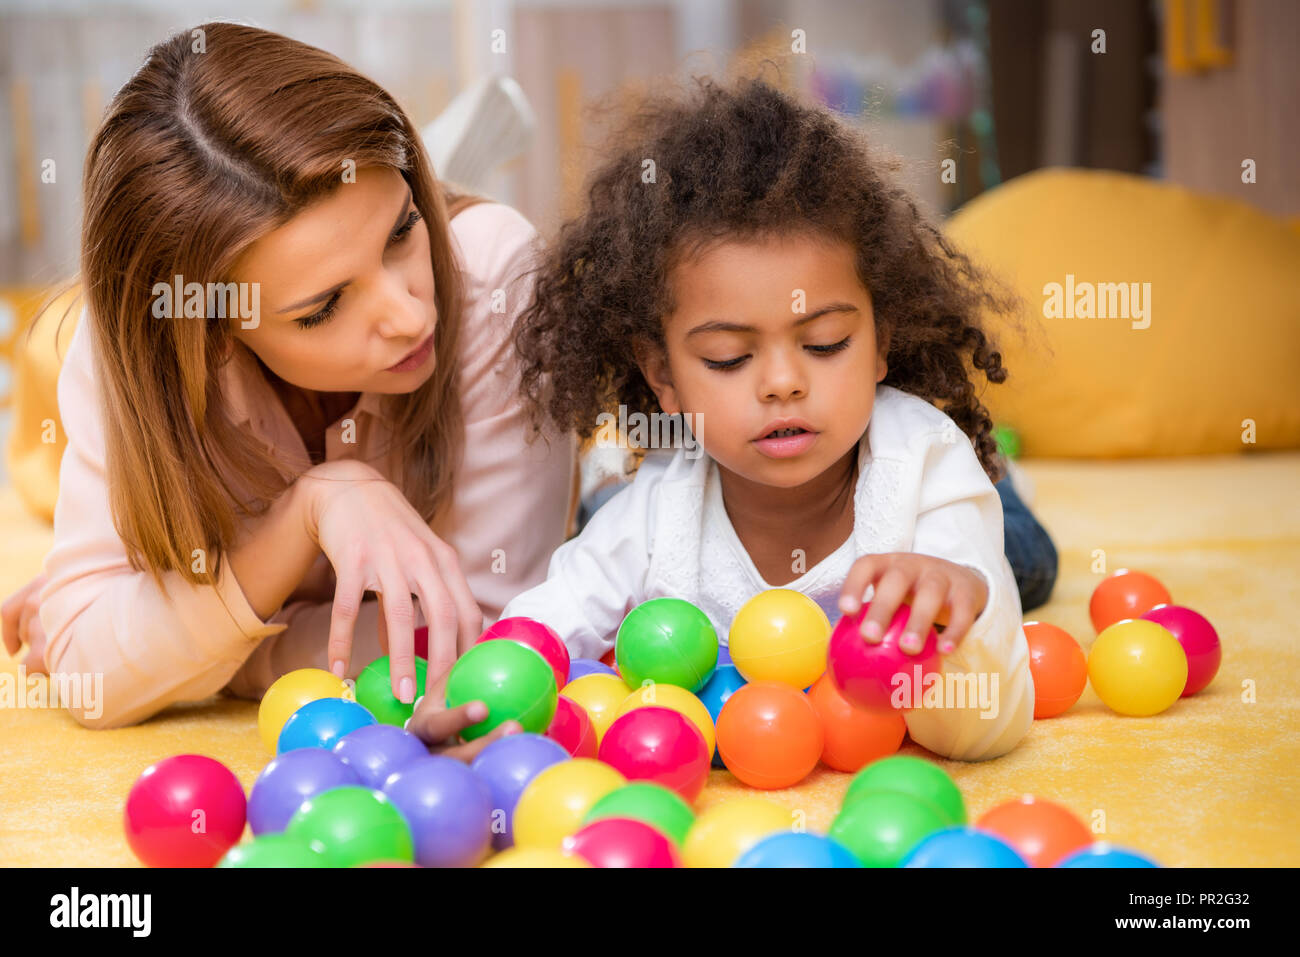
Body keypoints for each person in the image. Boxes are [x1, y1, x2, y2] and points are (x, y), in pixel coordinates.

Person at [0, 23, 575, 755]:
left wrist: (202, 645)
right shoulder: (140, 346)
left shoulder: (495, 279)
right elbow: (90, 670)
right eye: (324, 308)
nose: (410, 314)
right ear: (213, 336)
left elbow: (484, 635)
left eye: (401, 231)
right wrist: (314, 505)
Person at [486, 76, 1057, 761]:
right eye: (729, 357)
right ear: (663, 373)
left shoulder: (927, 468)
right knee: (612, 507)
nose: (784, 383)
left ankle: (1005, 487)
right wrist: (482, 701)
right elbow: (544, 624)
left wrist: (954, 618)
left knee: (1025, 563)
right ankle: (603, 481)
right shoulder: (658, 514)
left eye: (824, 345)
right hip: (663, 475)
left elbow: (985, 728)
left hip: (949, 489)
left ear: (882, 340)